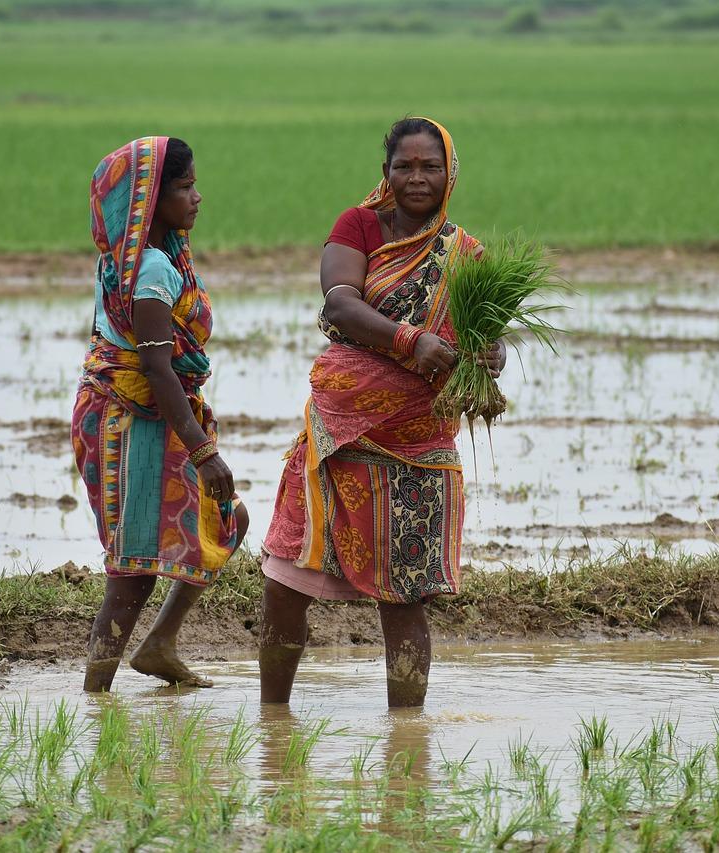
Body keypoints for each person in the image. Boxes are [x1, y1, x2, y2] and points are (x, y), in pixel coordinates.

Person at [258, 117, 504, 707]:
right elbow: (340, 303)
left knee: (406, 598)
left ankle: (408, 738)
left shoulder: (465, 254)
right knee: (287, 581)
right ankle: (272, 716)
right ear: (385, 172)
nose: (416, 178)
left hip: (419, 444)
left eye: (430, 167)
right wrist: (407, 341)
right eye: (404, 166)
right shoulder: (359, 226)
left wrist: (491, 354)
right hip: (340, 435)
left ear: (450, 174)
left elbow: (487, 337)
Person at [71, 136, 249, 693]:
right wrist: (206, 451)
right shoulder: (149, 270)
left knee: (228, 521)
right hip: (130, 418)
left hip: (145, 414)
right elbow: (157, 370)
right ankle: (95, 694)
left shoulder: (146, 257)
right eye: (184, 186)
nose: (198, 196)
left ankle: (160, 644)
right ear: (149, 202)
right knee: (131, 572)